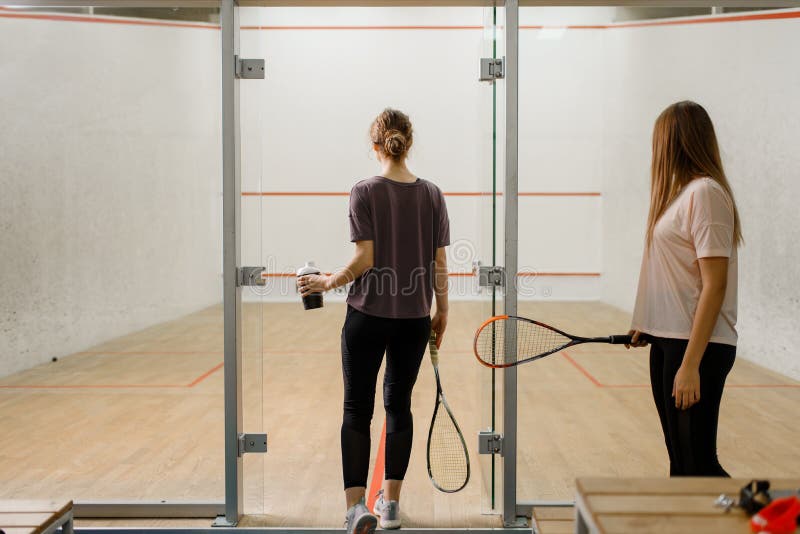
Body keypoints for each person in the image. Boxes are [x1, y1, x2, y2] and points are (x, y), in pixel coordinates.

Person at [298, 108, 450, 532]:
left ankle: (355, 509)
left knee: (357, 409)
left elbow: (366, 257)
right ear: (408, 143)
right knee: (398, 409)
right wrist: (443, 311)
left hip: (366, 317)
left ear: (376, 145)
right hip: (414, 320)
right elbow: (439, 263)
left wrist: (328, 282)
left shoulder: (363, 191)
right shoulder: (433, 194)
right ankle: (392, 507)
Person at [626, 101, 742, 477]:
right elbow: (674, 274)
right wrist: (650, 324)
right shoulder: (681, 195)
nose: (654, 150)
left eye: (660, 140)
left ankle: (771, 521)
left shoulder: (705, 194)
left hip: (698, 348)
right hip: (669, 342)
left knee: (698, 465)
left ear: (675, 143)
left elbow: (714, 285)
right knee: (682, 465)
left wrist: (691, 364)